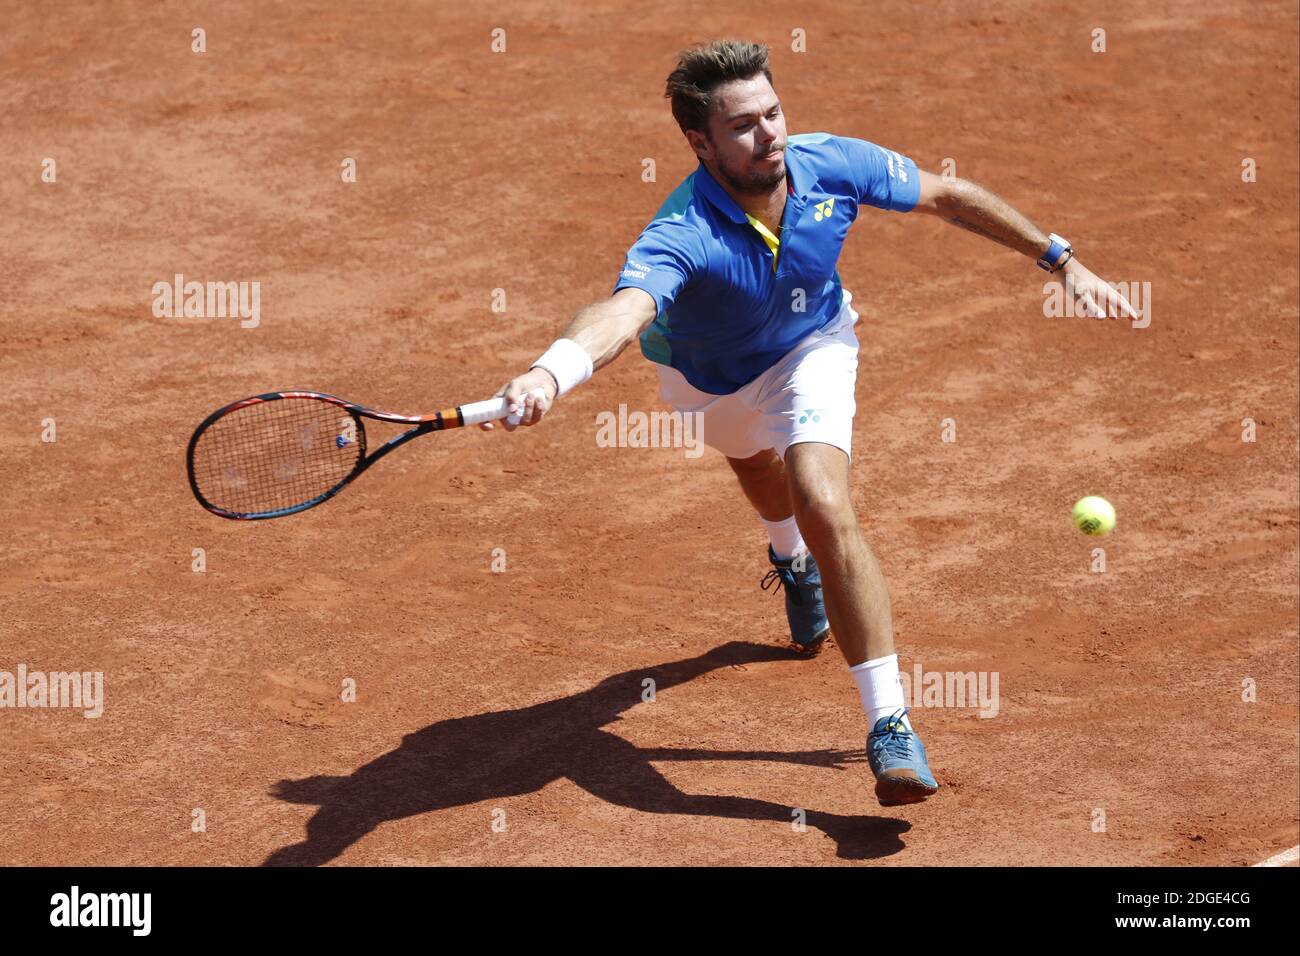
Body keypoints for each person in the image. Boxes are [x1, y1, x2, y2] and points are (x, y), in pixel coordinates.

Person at [482, 38, 1136, 806]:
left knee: (822, 498)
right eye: (744, 126)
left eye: (774, 112)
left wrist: (1062, 260)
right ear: (701, 142)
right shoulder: (684, 229)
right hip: (706, 381)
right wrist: (550, 372)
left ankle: (890, 723)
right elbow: (625, 311)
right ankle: (790, 559)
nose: (770, 135)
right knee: (758, 468)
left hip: (813, 347)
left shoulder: (829, 163)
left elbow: (946, 195)